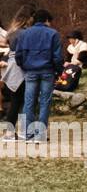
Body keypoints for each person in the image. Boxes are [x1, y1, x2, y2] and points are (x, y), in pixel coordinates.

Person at [14, 8, 61, 141]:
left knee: (28, 102)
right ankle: (40, 135)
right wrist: (59, 71)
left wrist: (24, 66)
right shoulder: (53, 34)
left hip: (30, 72)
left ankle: (28, 134)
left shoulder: (24, 33)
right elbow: (57, 57)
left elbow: (18, 54)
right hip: (48, 71)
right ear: (46, 20)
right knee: (44, 103)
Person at [1, 8, 33, 137]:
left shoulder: (11, 32)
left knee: (15, 101)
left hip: (12, 68)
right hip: (23, 67)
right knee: (27, 101)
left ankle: (10, 131)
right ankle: (25, 131)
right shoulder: (25, 33)